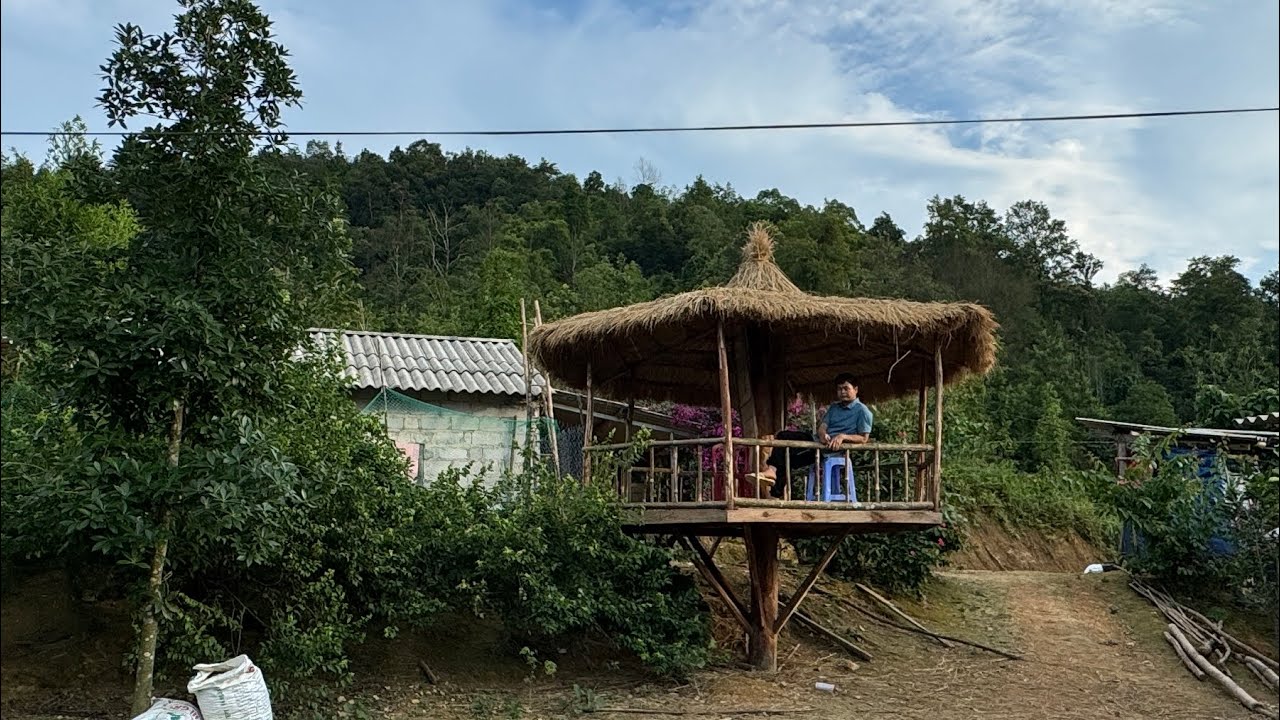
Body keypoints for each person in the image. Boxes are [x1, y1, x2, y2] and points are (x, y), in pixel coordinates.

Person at [749, 373, 873, 497]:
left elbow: (863, 438)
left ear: (855, 389)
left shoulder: (862, 411)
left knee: (788, 459)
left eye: (846, 388)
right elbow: (823, 426)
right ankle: (775, 483)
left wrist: (843, 436)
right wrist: (823, 434)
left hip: (829, 451)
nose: (842, 392)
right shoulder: (834, 407)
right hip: (816, 441)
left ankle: (773, 478)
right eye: (839, 389)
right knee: (783, 437)